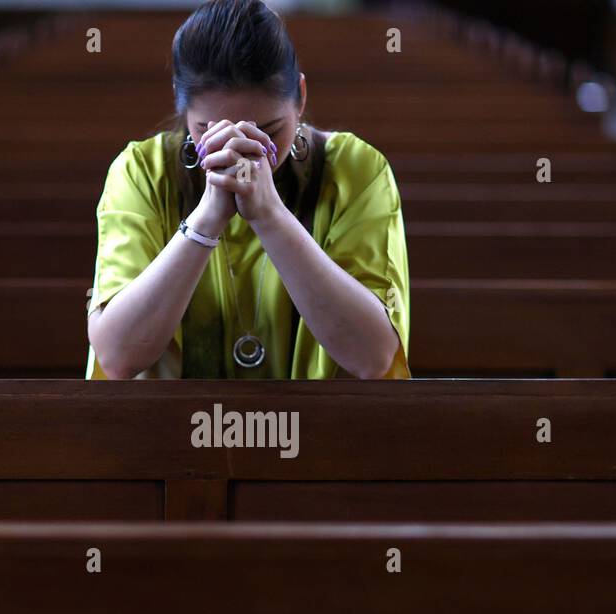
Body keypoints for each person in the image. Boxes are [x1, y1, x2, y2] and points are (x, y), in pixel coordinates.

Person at [86, 0, 410, 380]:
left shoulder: (357, 170)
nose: (241, 153)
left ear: (301, 97)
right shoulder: (141, 172)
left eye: (269, 132)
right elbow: (117, 356)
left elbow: (372, 357)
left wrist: (269, 214)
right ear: (182, 104)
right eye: (210, 133)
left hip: (325, 432)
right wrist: (207, 217)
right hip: (165, 434)